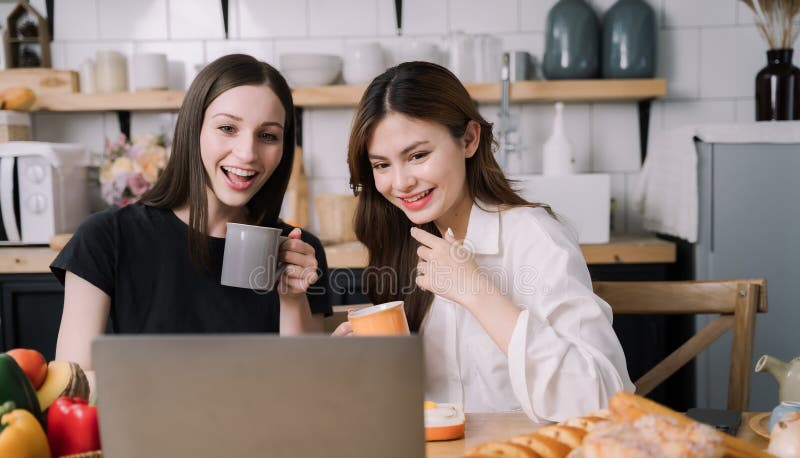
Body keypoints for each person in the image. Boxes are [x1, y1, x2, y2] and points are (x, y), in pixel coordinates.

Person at [336, 61, 633, 423]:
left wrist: (477, 292)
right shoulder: (403, 242)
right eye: (382, 165)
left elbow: (603, 400)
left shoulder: (534, 237)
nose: (400, 183)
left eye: (417, 156)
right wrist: (363, 368)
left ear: (469, 140)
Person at [52, 54, 331, 381]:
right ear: (193, 129)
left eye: (268, 135)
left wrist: (292, 299)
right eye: (228, 128)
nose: (247, 153)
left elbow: (307, 388)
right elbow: (73, 382)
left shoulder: (300, 250)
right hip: (146, 428)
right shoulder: (106, 237)